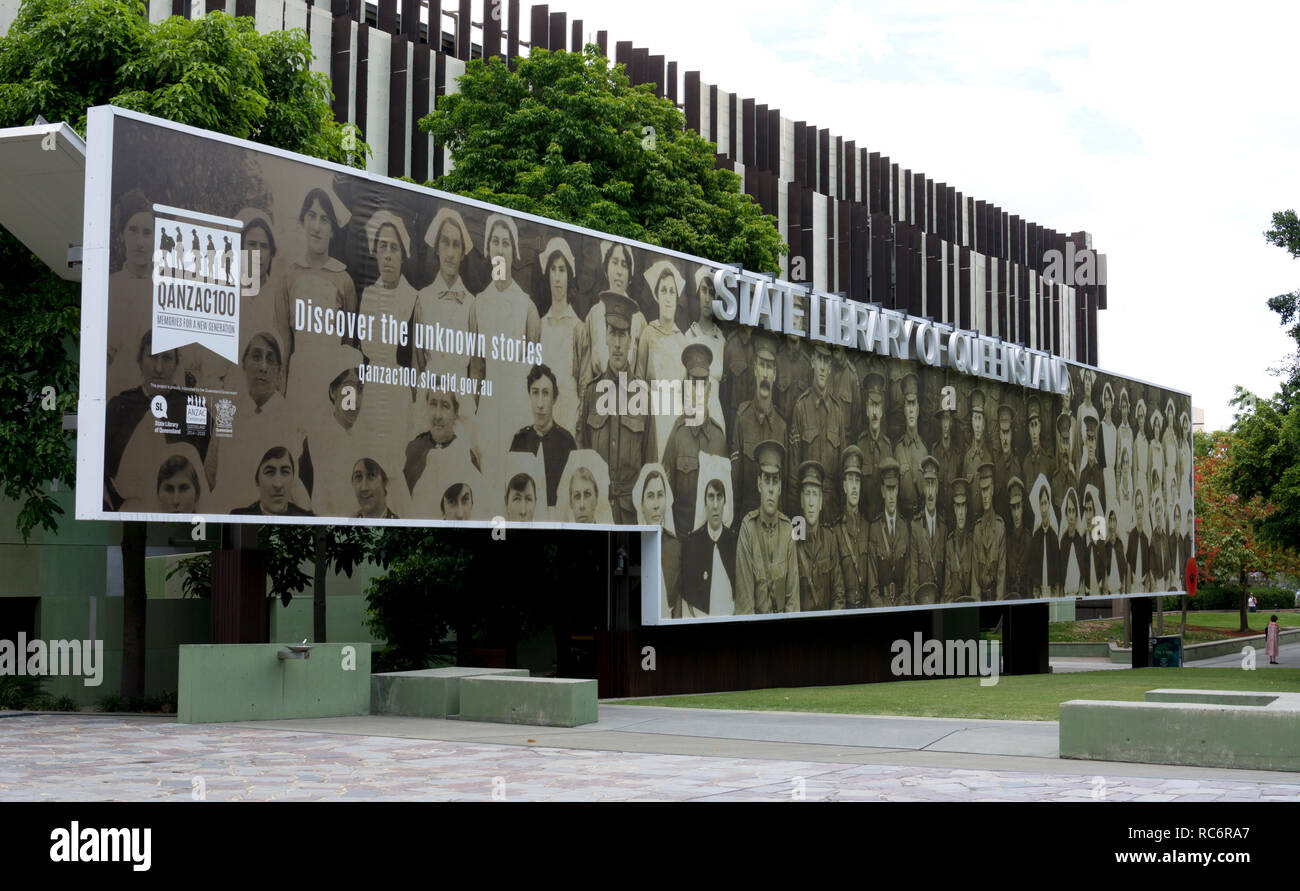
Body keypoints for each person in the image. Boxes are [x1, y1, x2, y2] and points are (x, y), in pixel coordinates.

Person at [469, 213, 541, 476]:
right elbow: (476, 369)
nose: (500, 249)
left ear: (514, 252)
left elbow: (532, 371)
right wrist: (478, 414)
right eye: (495, 242)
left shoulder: (527, 307)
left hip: (518, 408)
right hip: (488, 410)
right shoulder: (478, 304)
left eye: (506, 243)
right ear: (488, 250)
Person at [576, 293, 657, 524]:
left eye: (623, 334)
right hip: (596, 512)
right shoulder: (592, 393)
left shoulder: (643, 396)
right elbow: (582, 455)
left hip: (630, 514)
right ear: (606, 337)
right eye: (613, 333)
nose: (618, 344)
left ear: (631, 339)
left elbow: (650, 464)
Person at [273, 186, 358, 359]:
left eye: (325, 220)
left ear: (333, 230)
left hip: (331, 374)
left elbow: (347, 343)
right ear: (303, 221)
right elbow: (284, 343)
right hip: (298, 375)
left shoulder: (344, 280)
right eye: (311, 216)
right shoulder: (289, 276)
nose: (317, 227)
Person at [660, 343, 726, 536]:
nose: (697, 391)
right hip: (682, 539)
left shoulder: (718, 438)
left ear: (709, 388)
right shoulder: (677, 434)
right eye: (692, 383)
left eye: (702, 383)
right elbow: (666, 497)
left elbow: (725, 501)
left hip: (709, 541)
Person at [733, 440, 800, 615]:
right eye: (766, 480)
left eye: (775, 481)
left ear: (779, 488)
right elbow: (745, 605)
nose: (770, 488)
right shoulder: (747, 530)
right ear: (759, 484)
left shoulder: (788, 531)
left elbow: (793, 602)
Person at [730, 331, 787, 519]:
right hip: (746, 524)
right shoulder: (742, 418)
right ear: (755, 369)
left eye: (769, 368)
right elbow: (735, 483)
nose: (765, 373)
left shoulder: (781, 426)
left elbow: (784, 489)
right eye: (761, 365)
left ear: (775, 374)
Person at [789, 341, 846, 524]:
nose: (822, 367)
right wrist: (798, 528)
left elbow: (842, 472)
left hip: (831, 510)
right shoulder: (801, 407)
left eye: (827, 362)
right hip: (806, 509)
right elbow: (793, 476)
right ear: (812, 362)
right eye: (819, 360)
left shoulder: (837, 412)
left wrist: (840, 517)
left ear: (830, 367)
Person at [417, 207, 475, 383]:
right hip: (428, 396)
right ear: (436, 248)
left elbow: (476, 366)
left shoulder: (472, 303)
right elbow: (418, 361)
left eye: (456, 245)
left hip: (461, 397)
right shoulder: (422, 298)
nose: (450, 253)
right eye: (445, 242)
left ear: (462, 254)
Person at [404, 387, 481, 517]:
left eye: (445, 406)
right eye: (433, 404)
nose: (437, 415)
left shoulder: (465, 454)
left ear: (455, 412)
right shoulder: (413, 450)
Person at [509, 364, 577, 509]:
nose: (540, 404)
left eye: (545, 393)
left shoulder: (567, 442)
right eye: (535, 393)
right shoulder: (519, 441)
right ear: (529, 395)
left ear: (554, 399)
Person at [536, 236, 584, 434]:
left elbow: (581, 382)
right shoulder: (539, 325)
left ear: (569, 276)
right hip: (543, 414)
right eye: (553, 270)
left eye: (562, 270)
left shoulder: (578, 327)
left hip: (569, 417)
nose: (557, 277)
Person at [682, 476, 738, 617]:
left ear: (725, 502)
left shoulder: (734, 541)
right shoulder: (692, 543)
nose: (715, 505)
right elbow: (687, 598)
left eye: (719, 498)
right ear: (705, 503)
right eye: (711, 497)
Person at [795, 460, 845, 612]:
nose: (811, 503)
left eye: (815, 495)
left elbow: (839, 594)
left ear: (821, 502)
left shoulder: (830, 539)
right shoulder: (793, 539)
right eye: (807, 494)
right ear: (801, 501)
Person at [634, 463, 681, 618]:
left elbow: (678, 606)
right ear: (641, 504)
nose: (656, 505)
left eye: (660, 495)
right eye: (650, 496)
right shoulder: (633, 547)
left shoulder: (676, 547)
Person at [685, 265, 727, 429]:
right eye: (704, 290)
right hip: (693, 412)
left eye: (712, 292)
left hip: (715, 414)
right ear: (698, 294)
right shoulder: (688, 336)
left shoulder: (721, 340)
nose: (708, 298)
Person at [836, 445, 874, 609]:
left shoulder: (868, 527)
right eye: (850, 480)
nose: (854, 486)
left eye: (857, 480)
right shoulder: (836, 531)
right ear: (844, 486)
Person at [869, 457, 909, 607]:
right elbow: (872, 587)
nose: (891, 495)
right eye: (888, 489)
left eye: (894, 489)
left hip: (901, 603)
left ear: (898, 489)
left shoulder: (904, 528)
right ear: (882, 491)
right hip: (881, 604)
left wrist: (902, 606)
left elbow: (908, 579)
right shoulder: (874, 529)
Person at [907, 455, 947, 603]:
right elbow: (913, 578)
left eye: (933, 485)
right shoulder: (915, 527)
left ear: (937, 489)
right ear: (923, 489)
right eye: (927, 485)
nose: (930, 493)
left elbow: (947, 579)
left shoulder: (943, 528)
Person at [231, 446, 314, 516]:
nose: (278, 484)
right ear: (257, 480)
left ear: (292, 479)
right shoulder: (239, 516)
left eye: (285, 472)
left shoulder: (305, 517)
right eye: (269, 472)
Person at [857, 372, 893, 523]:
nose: (874, 413)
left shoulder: (887, 447)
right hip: (863, 522)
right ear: (866, 410)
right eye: (872, 405)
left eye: (877, 406)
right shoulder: (859, 446)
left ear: (882, 411)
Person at [893, 372, 928, 520]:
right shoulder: (898, 450)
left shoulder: (925, 451)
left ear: (918, 409)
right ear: (904, 409)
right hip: (902, 519)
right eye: (908, 404)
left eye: (914, 404)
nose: (911, 409)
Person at [972, 462, 1006, 601]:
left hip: (995, 599)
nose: (985, 495)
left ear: (992, 490)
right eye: (982, 490)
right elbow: (974, 577)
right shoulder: (977, 529)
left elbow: (1002, 574)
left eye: (987, 489)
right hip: (980, 600)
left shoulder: (999, 528)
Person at [943, 477, 974, 603]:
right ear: (954, 509)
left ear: (966, 509)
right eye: (958, 506)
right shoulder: (949, 543)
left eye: (963, 506)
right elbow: (947, 588)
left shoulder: (972, 542)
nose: (961, 513)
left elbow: (975, 586)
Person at [1029, 474, 1060, 598]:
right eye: (1041, 504)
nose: (1043, 509)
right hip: (1040, 593)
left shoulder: (1054, 536)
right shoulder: (1036, 537)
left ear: (1049, 504)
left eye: (1045, 503)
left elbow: (1057, 573)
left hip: (1052, 592)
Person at [1004, 475, 1031, 599]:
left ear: (1023, 506)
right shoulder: (1007, 541)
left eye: (1018, 507)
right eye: (1013, 508)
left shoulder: (1029, 539)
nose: (1016, 513)